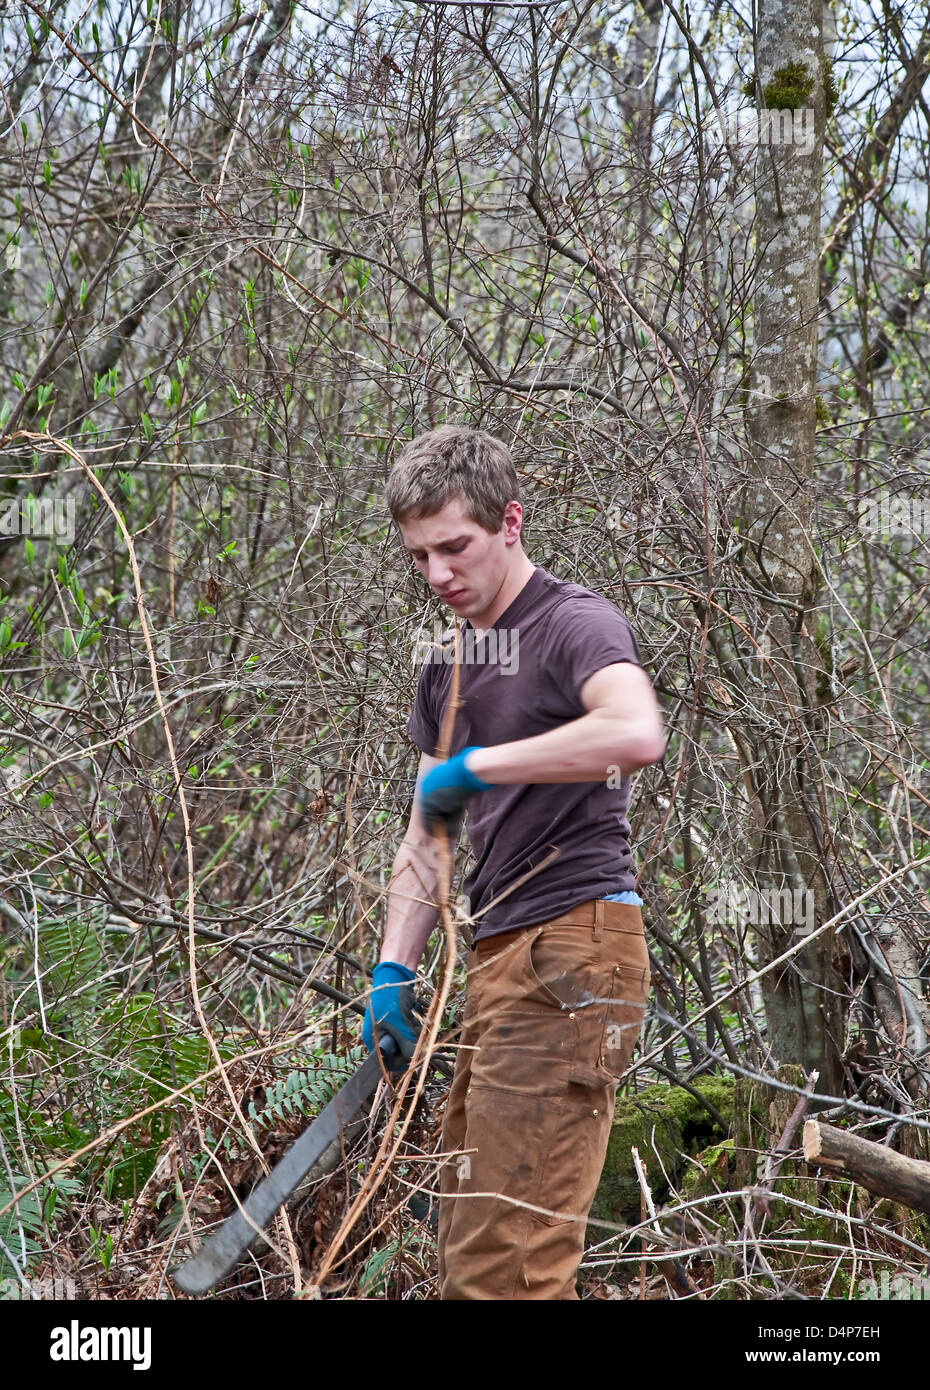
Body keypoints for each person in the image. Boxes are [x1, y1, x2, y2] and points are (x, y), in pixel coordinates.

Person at [363, 425, 666, 1300]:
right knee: (472, 1248)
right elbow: (427, 835)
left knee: (509, 1268)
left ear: (510, 524)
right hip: (500, 960)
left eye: (455, 547)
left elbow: (634, 730)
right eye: (419, 557)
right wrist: (394, 966)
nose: (439, 575)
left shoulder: (574, 623)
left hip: (574, 948)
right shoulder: (449, 666)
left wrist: (481, 766)